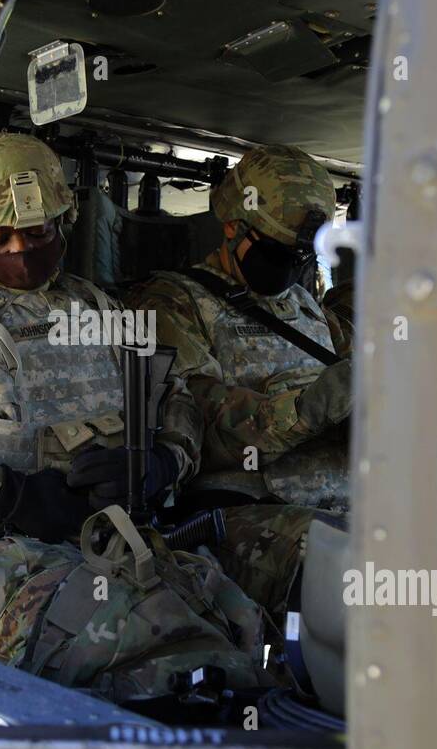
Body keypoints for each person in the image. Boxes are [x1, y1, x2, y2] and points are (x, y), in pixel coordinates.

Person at [0, 132, 273, 703]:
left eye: (38, 232)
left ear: (63, 226)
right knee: (166, 657)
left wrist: (159, 461)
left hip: (113, 540)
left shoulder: (99, 307)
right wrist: (10, 495)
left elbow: (174, 398)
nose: (21, 247)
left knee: (249, 634)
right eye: (0, 234)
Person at [125, 144, 355, 626]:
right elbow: (197, 421)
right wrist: (311, 408)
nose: (292, 269)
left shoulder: (308, 307)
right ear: (232, 226)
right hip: (239, 513)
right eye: (277, 252)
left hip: (339, 501)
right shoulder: (171, 302)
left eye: (302, 256)